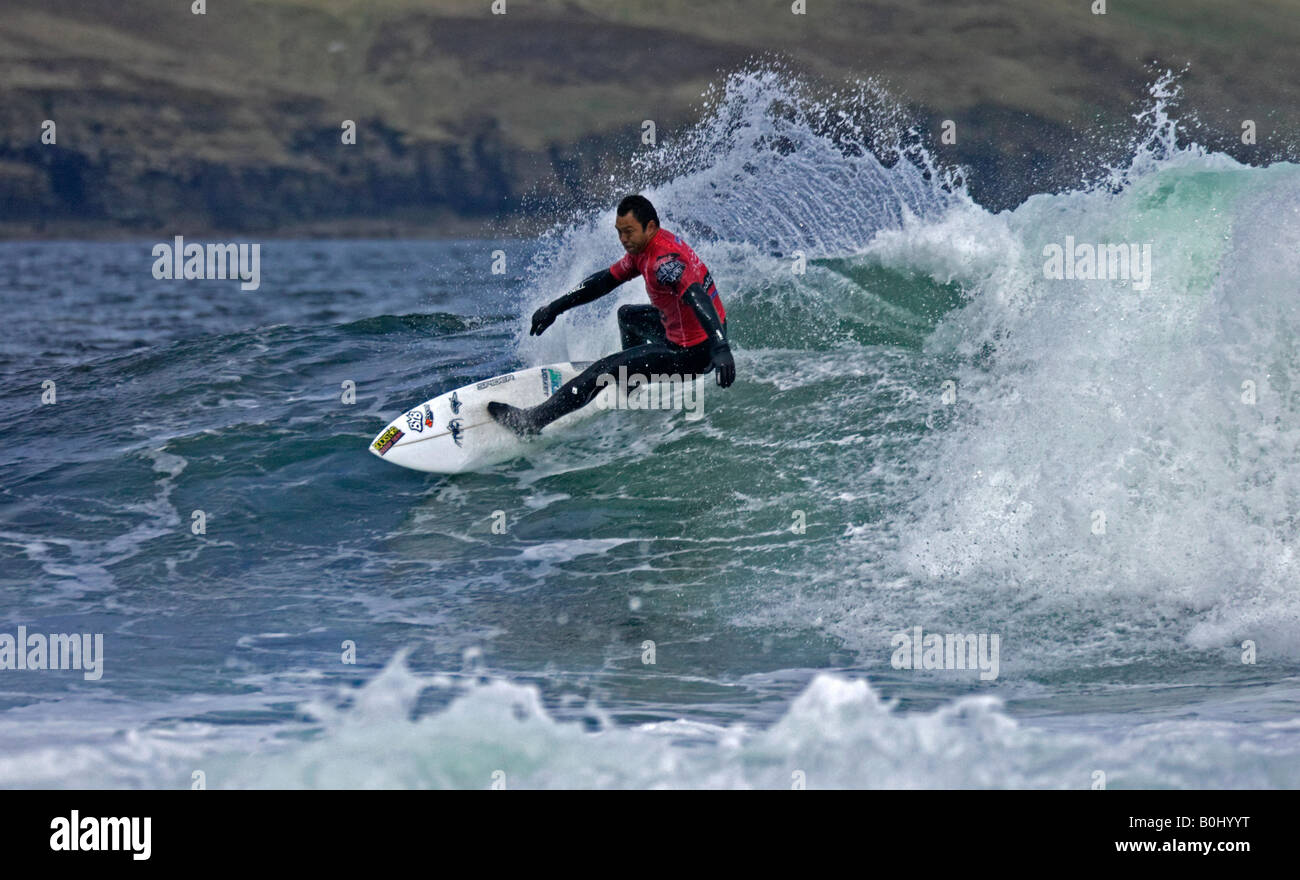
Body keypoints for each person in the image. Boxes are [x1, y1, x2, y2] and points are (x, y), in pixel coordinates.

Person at [488, 194, 734, 437]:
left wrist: (720, 347)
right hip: (690, 332)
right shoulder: (646, 249)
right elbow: (603, 282)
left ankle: (531, 422)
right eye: (619, 232)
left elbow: (697, 296)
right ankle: (632, 385)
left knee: (604, 369)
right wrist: (554, 308)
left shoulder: (663, 260)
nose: (623, 239)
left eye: (629, 231)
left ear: (650, 227)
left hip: (694, 353)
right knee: (628, 316)